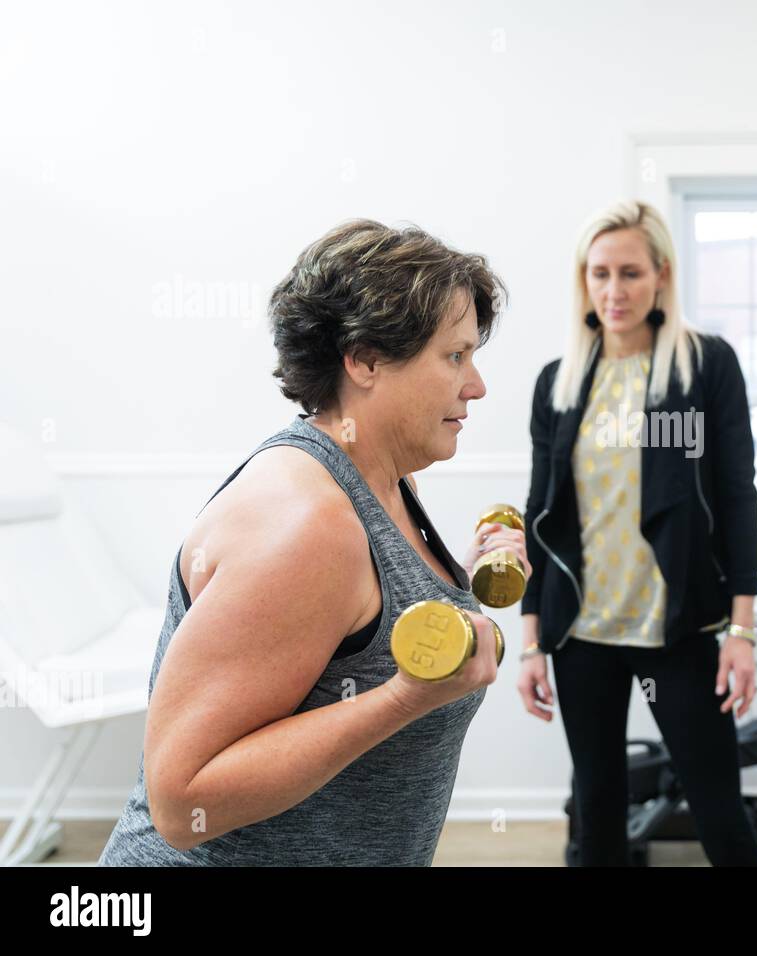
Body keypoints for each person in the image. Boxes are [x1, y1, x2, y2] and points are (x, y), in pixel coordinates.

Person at [98, 219, 527, 865]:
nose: (477, 385)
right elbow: (183, 804)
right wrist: (405, 696)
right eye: (456, 356)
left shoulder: (375, 477)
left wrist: (446, 586)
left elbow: (347, 629)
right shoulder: (307, 522)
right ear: (365, 360)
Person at [515, 199, 757, 866]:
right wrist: (531, 640)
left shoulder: (704, 367)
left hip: (679, 633)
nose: (613, 291)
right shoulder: (560, 382)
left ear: (661, 274)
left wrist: (740, 632)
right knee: (595, 816)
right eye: (599, 274)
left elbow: (738, 499)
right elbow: (541, 510)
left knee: (720, 814)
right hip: (583, 637)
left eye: (629, 273)